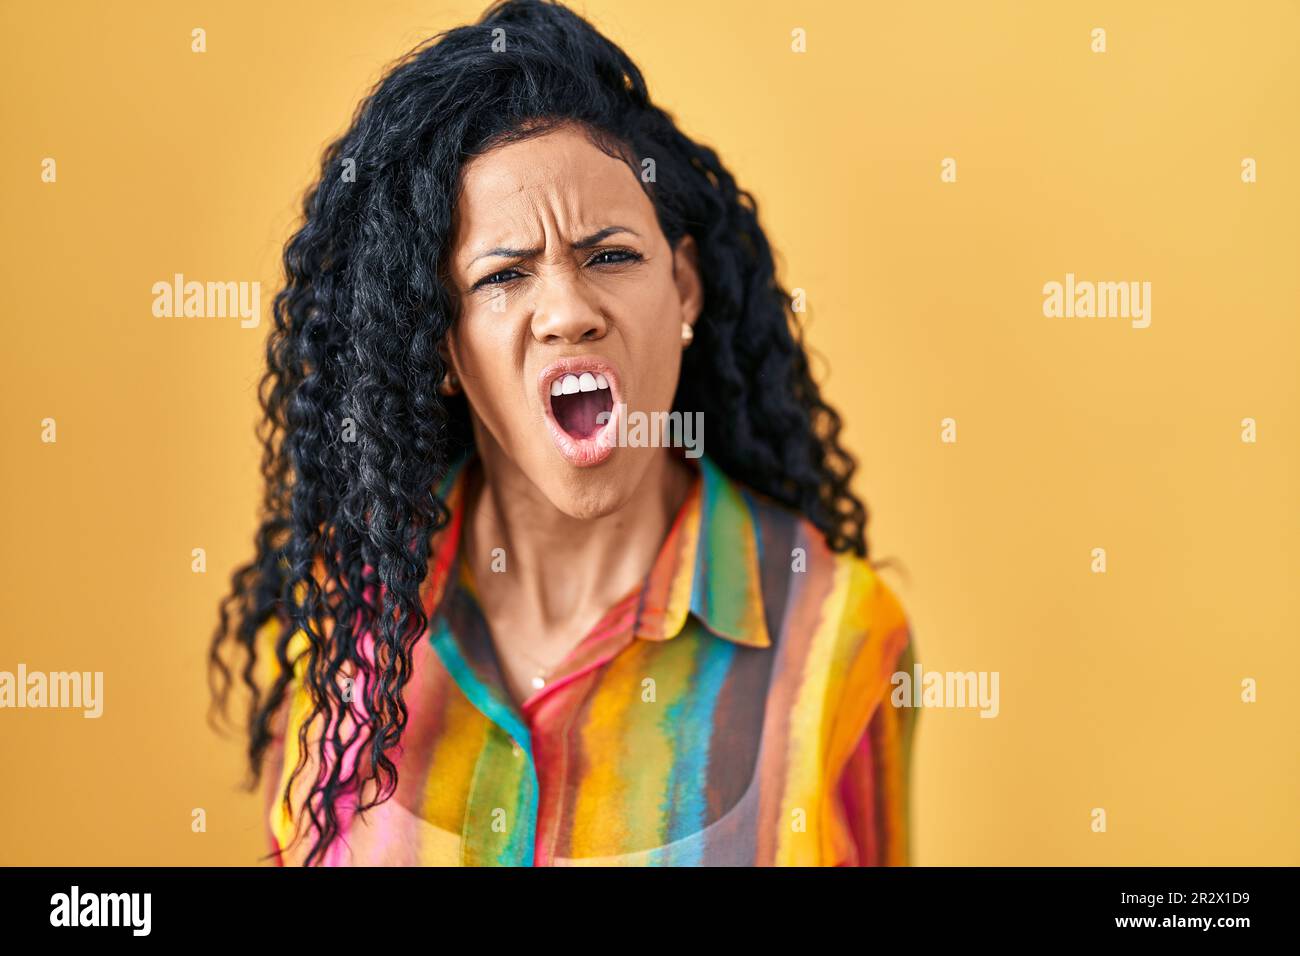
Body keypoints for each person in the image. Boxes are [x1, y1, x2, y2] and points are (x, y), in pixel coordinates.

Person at [208, 0, 916, 867]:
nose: (570, 312)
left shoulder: (839, 633)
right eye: (504, 275)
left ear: (684, 288)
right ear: (441, 341)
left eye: (610, 255)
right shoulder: (345, 619)